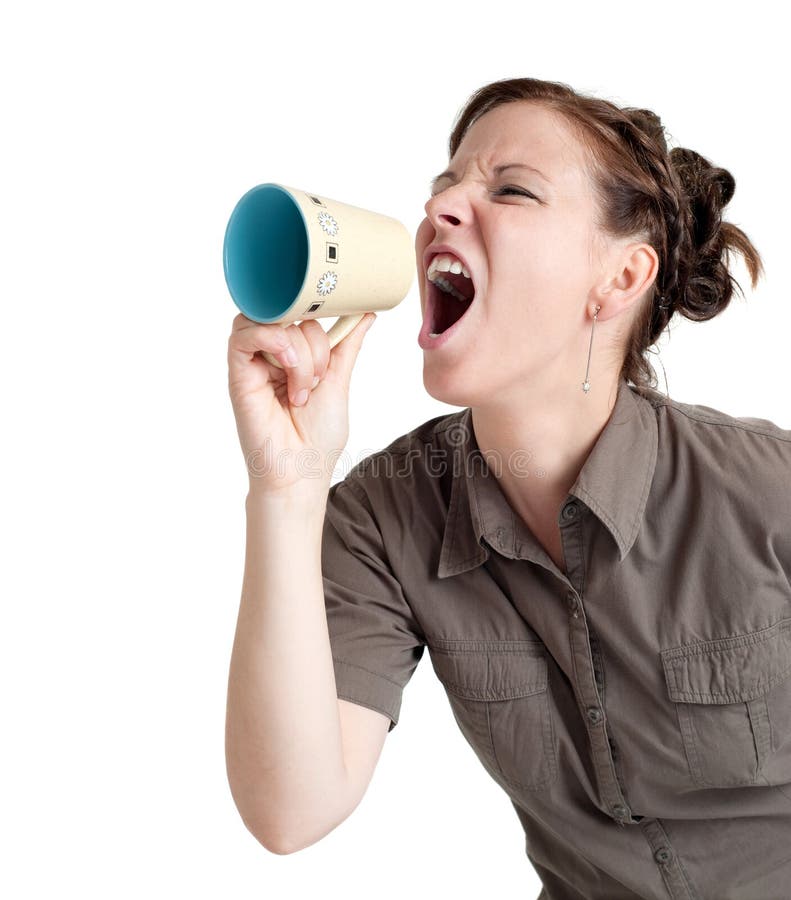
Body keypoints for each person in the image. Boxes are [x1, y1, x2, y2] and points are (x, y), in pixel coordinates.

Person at [224, 77, 791, 899]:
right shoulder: (381, 517)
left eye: (511, 189)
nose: (439, 209)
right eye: (443, 185)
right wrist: (287, 485)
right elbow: (290, 810)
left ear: (619, 278)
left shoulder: (768, 490)